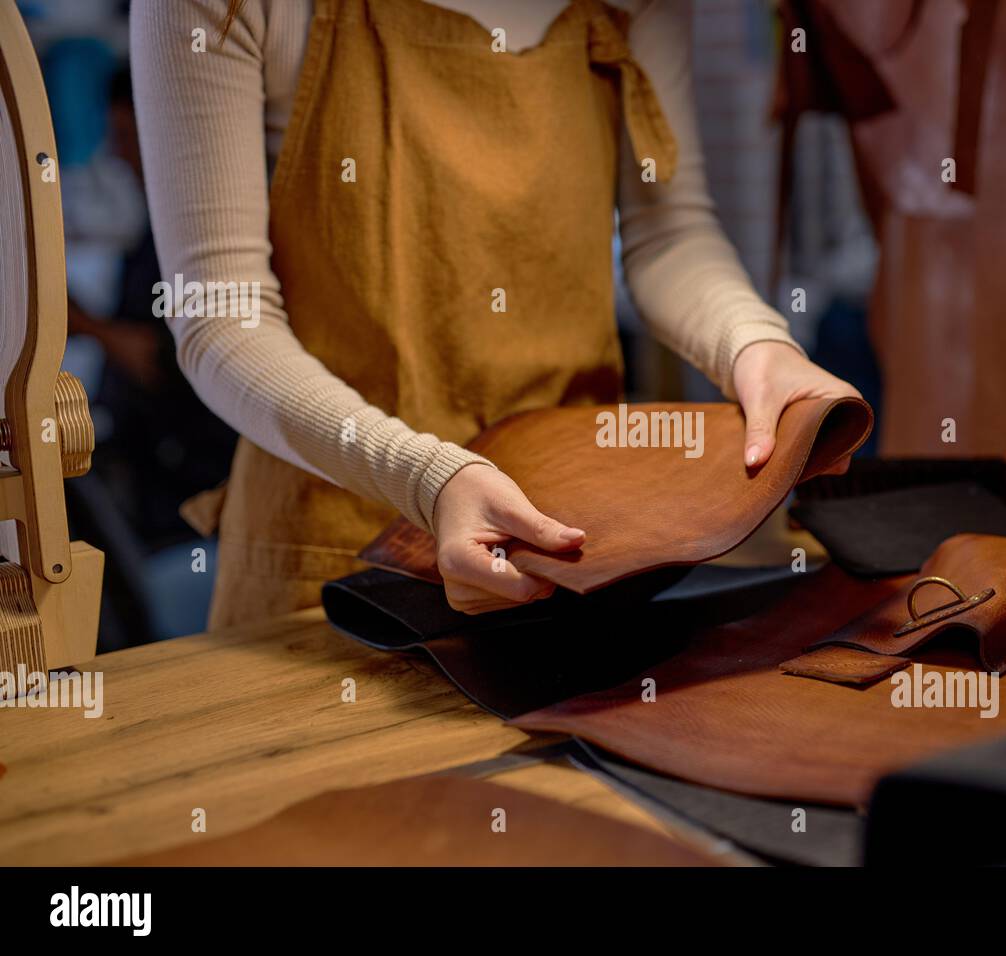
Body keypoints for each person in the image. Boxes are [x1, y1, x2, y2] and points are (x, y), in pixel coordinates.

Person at [130, 0, 860, 627]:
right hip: (335, 556)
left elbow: (668, 234)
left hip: (576, 544)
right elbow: (220, 317)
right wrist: (429, 480)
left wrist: (757, 348)